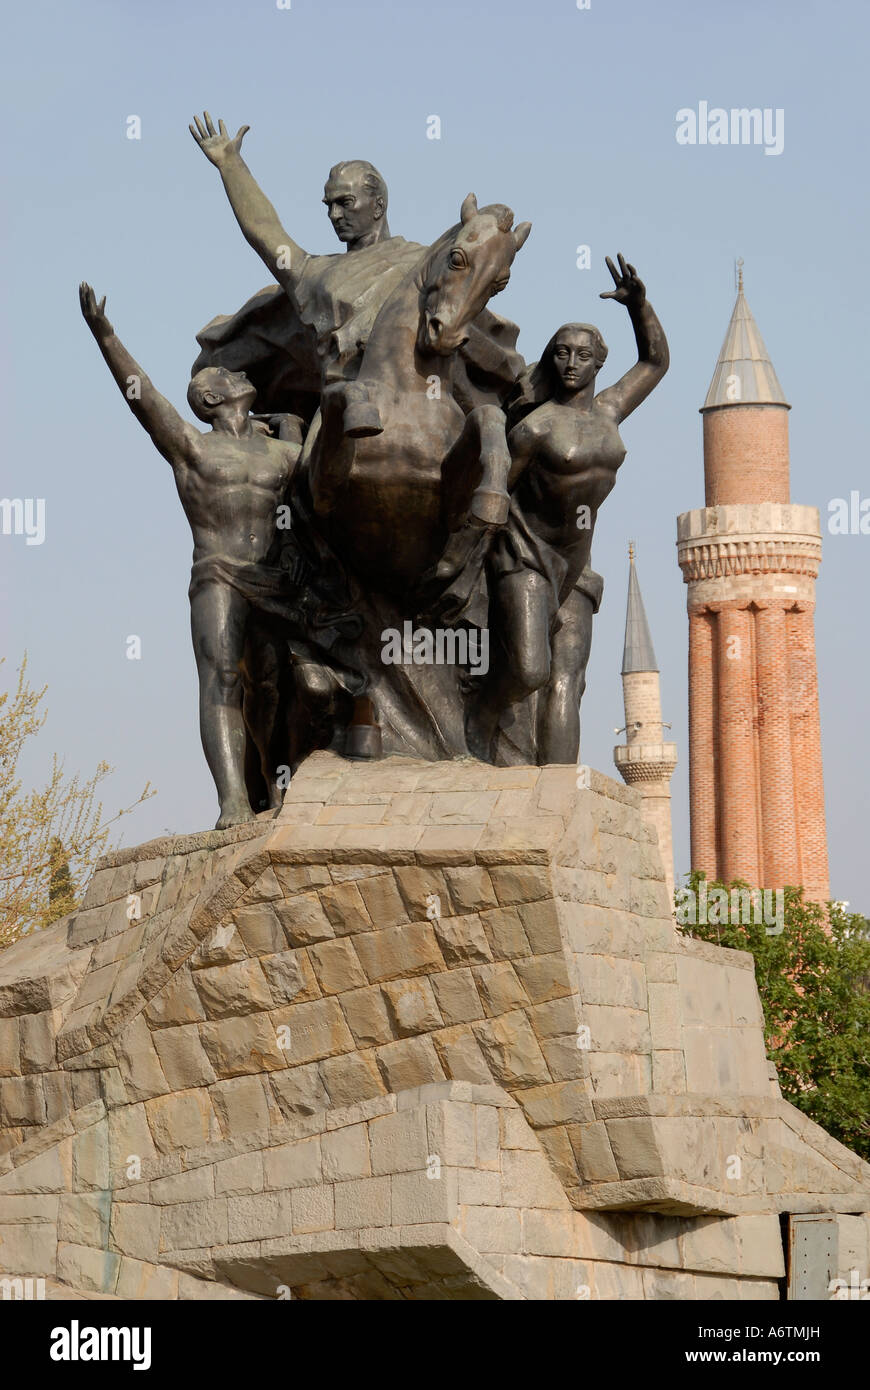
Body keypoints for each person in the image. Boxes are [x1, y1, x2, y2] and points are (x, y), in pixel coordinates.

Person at [79, 283, 305, 827]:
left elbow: (328, 475)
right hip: (218, 576)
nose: (240, 374)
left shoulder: (285, 452)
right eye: (229, 375)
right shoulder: (193, 448)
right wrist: (104, 333)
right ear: (210, 398)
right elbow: (143, 396)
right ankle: (232, 801)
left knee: (272, 690)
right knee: (222, 680)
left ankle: (277, 794)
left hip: (274, 581)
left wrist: (296, 426)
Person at [466, 254, 669, 763]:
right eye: (561, 353)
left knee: (567, 680)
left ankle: (558, 799)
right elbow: (497, 492)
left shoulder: (611, 410)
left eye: (582, 354)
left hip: (576, 563)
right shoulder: (535, 427)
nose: (571, 363)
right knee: (529, 670)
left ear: (599, 362)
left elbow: (656, 362)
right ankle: (473, 723)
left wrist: (639, 307)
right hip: (527, 555)